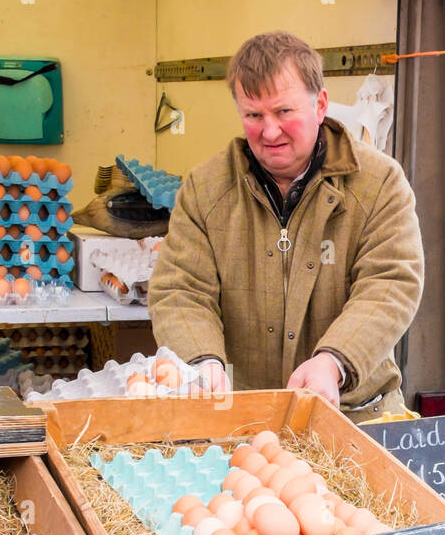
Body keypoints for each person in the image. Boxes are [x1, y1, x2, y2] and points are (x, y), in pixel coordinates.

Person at [149, 30, 425, 417]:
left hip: (352, 411)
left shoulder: (378, 183)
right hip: (241, 414)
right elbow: (180, 289)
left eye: (284, 112)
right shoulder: (205, 189)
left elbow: (390, 283)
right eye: (253, 115)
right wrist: (202, 360)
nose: (270, 131)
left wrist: (334, 361)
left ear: (320, 105)